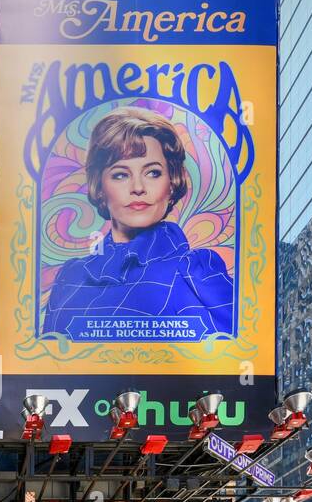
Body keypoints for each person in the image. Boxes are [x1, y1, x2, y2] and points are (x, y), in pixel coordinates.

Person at [42, 106, 236, 340]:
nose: (138, 188)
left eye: (152, 173)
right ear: (99, 186)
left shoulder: (197, 270)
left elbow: (243, 357)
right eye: (120, 174)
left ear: (172, 182)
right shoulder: (70, 278)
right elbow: (47, 370)